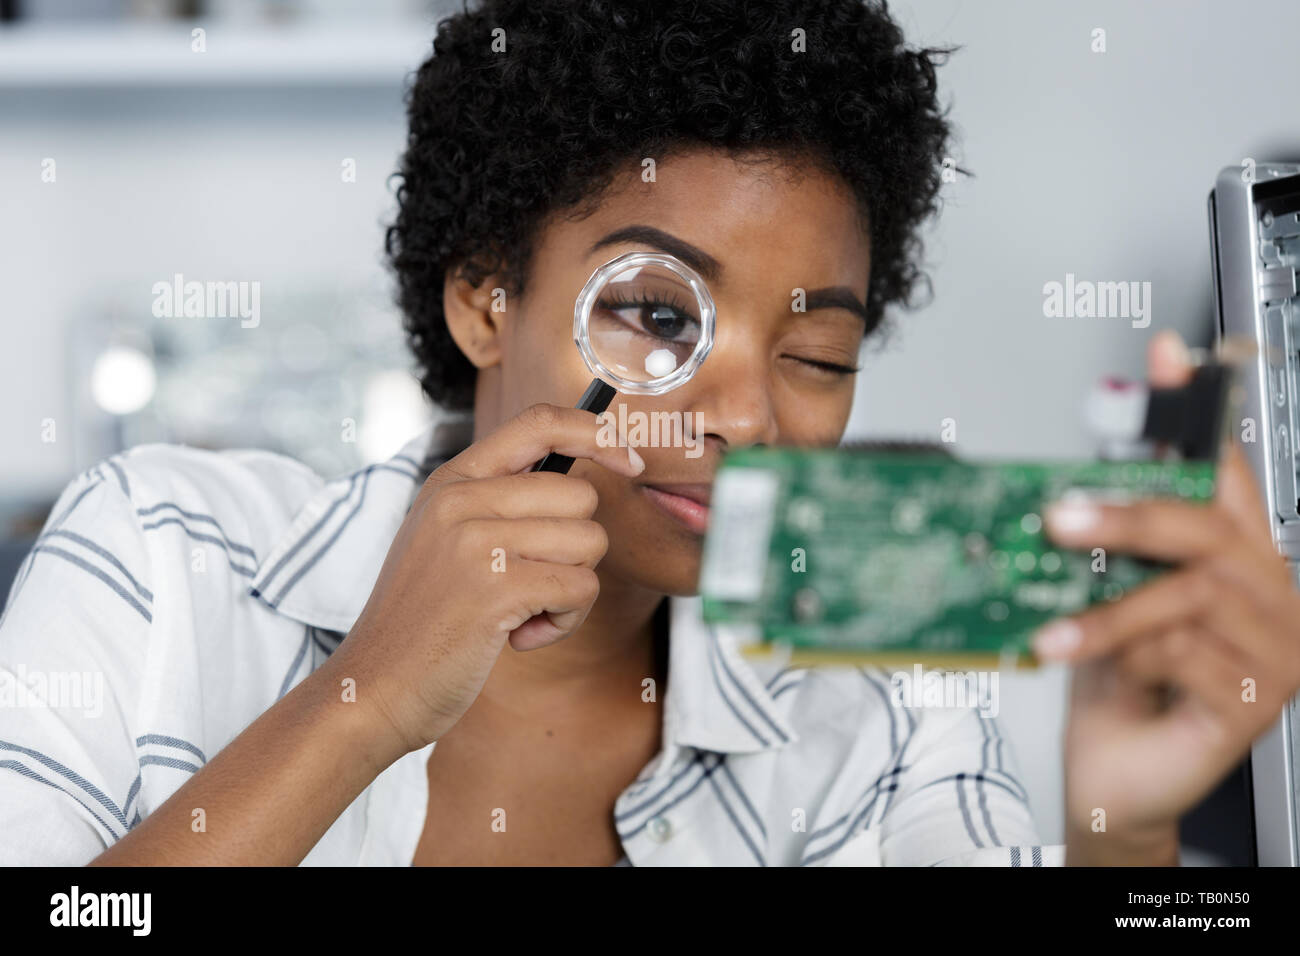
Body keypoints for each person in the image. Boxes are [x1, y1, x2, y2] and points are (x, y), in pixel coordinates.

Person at [2, 0, 1297, 867]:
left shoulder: (882, 702)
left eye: (814, 356)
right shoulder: (163, 555)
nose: (744, 414)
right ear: (482, 296)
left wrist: (1123, 829)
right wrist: (366, 702)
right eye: (652, 312)